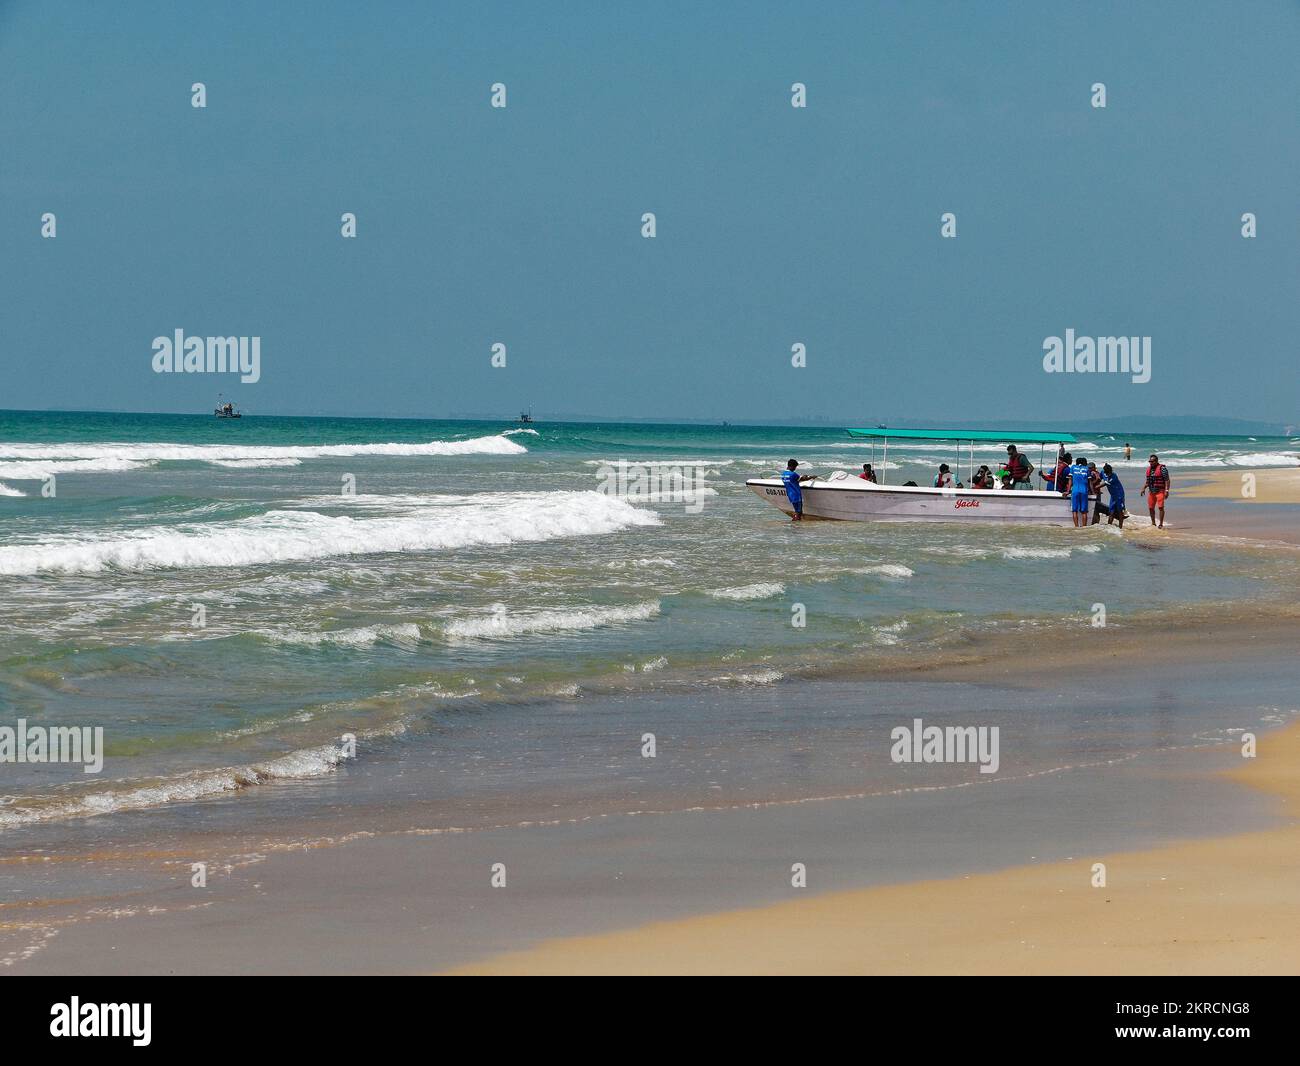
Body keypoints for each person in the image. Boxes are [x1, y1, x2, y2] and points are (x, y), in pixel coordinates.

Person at [1140, 453, 1170, 528]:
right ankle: (1153, 523)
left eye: (1152, 461)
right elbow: (1148, 481)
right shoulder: (1149, 469)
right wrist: (1143, 488)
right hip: (1151, 492)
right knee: (1151, 508)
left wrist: (1166, 490)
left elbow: (1167, 480)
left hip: (1160, 491)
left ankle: (1161, 524)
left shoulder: (1162, 468)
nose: (1151, 463)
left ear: (1156, 461)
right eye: (1150, 461)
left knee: (1160, 507)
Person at [1099, 463, 1127, 527]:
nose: (1109, 474)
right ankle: (1109, 527)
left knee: (1120, 512)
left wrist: (1095, 488)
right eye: (1108, 473)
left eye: (1110, 473)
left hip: (1119, 495)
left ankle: (1120, 527)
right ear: (1105, 472)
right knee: (1111, 512)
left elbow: (1103, 484)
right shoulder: (1103, 472)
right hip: (1113, 496)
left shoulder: (1114, 476)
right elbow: (1099, 478)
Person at [1067, 454, 1091, 527]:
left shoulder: (1073, 467)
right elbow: (1090, 482)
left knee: (1075, 510)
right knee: (1084, 511)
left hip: (1075, 490)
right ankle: (1084, 526)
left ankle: (1076, 526)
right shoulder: (1087, 469)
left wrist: (1068, 491)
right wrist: (1092, 492)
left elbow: (1070, 480)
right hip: (1084, 491)